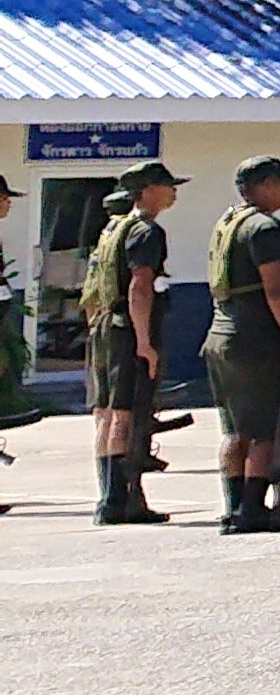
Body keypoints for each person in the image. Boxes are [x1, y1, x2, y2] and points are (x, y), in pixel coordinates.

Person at [206, 157, 280, 535]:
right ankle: (253, 509)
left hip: (221, 333)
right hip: (256, 336)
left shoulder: (227, 224)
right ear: (265, 185)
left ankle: (234, 506)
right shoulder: (266, 228)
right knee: (267, 426)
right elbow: (277, 289)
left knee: (235, 428)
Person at [84, 159, 181, 526]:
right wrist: (144, 342)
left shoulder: (112, 231)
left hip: (105, 326)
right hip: (128, 329)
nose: (173, 192)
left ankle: (114, 497)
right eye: (167, 185)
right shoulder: (146, 231)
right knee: (125, 412)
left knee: (106, 413)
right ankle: (119, 502)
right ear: (148, 191)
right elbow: (140, 286)